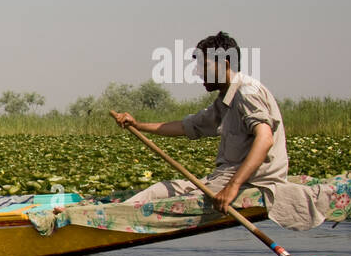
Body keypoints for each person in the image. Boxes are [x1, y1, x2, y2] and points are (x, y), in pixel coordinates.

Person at [116, 32, 288, 213]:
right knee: (158, 190)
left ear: (224, 65)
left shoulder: (247, 93)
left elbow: (265, 138)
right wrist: (137, 125)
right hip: (225, 176)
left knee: (172, 200)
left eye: (203, 66)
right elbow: (186, 126)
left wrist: (232, 187)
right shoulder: (226, 98)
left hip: (254, 180)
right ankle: (113, 214)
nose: (198, 72)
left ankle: (112, 219)